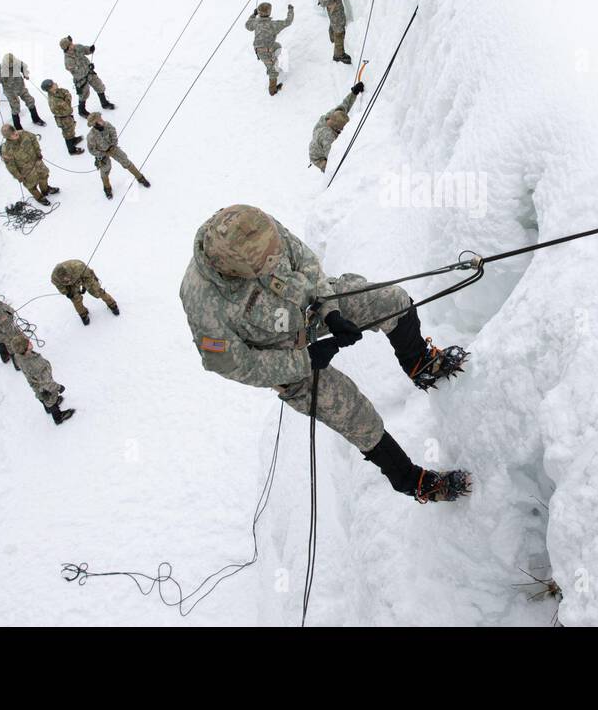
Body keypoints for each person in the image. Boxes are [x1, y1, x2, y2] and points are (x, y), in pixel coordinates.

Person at [178, 205, 471, 503]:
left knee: (393, 301)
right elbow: (231, 363)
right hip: (281, 358)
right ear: (232, 268)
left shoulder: (255, 227)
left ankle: (420, 364)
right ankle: (413, 481)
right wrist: (304, 360)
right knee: (358, 417)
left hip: (311, 307)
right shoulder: (202, 298)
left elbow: (305, 261)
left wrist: (330, 311)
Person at [11, 338, 76, 425]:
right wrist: (59, 387)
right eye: (28, 343)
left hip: (37, 387)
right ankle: (58, 417)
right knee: (51, 400)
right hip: (46, 389)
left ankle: (48, 408)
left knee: (42, 398)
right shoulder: (35, 366)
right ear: (25, 350)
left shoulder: (19, 355)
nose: (30, 341)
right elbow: (46, 383)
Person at [86, 112, 149, 199]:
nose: (102, 120)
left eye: (101, 118)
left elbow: (113, 133)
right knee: (105, 170)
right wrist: (103, 153)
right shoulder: (91, 136)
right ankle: (107, 188)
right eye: (99, 120)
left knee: (126, 161)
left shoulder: (107, 125)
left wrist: (113, 144)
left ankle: (140, 177)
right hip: (103, 154)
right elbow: (92, 150)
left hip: (113, 148)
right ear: (95, 124)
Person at [0, 124, 59, 205]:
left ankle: (45, 190)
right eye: (13, 135)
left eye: (15, 132)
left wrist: (38, 152)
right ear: (8, 137)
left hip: (37, 162)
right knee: (31, 185)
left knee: (44, 176)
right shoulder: (6, 150)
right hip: (26, 171)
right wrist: (18, 176)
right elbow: (10, 166)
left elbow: (34, 140)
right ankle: (39, 197)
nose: (16, 134)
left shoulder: (24, 134)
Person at [309, 82, 364, 171]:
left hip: (318, 137)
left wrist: (354, 93)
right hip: (317, 157)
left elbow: (344, 106)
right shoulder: (328, 138)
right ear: (336, 129)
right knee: (329, 168)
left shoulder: (333, 115)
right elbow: (333, 160)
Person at [50, 259, 119, 326]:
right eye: (63, 279)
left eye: (67, 276)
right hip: (71, 285)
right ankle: (83, 313)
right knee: (75, 299)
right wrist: (66, 292)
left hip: (83, 277)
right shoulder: (54, 278)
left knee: (97, 290)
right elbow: (60, 286)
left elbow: (89, 276)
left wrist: (86, 286)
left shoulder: (78, 266)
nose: (66, 279)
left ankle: (112, 303)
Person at [245, 1, 294, 96]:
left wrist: (253, 15)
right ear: (269, 12)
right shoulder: (273, 25)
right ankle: (273, 90)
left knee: (278, 46)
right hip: (265, 51)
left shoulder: (256, 23)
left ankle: (272, 63)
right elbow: (288, 22)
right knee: (273, 71)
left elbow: (247, 25)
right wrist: (290, 10)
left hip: (260, 49)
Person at [59, 36, 115, 117]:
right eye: (70, 44)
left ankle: (104, 103)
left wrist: (90, 49)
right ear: (67, 48)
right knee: (84, 95)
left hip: (90, 73)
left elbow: (85, 50)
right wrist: (89, 68)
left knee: (99, 86)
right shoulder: (68, 61)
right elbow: (77, 73)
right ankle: (82, 111)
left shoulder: (77, 47)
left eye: (71, 43)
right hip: (81, 79)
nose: (73, 44)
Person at [0, 52, 46, 130]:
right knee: (15, 108)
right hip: (10, 92)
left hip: (21, 87)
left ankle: (36, 119)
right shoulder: (1, 71)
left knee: (30, 101)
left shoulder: (17, 62)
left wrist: (25, 73)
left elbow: (24, 66)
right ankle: (18, 128)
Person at [39, 78, 85, 155]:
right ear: (50, 89)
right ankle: (72, 150)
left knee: (71, 130)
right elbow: (68, 109)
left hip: (67, 117)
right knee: (67, 134)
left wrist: (66, 97)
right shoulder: (55, 101)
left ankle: (73, 139)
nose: (55, 83)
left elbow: (66, 92)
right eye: (53, 84)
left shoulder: (57, 91)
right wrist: (67, 98)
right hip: (64, 120)